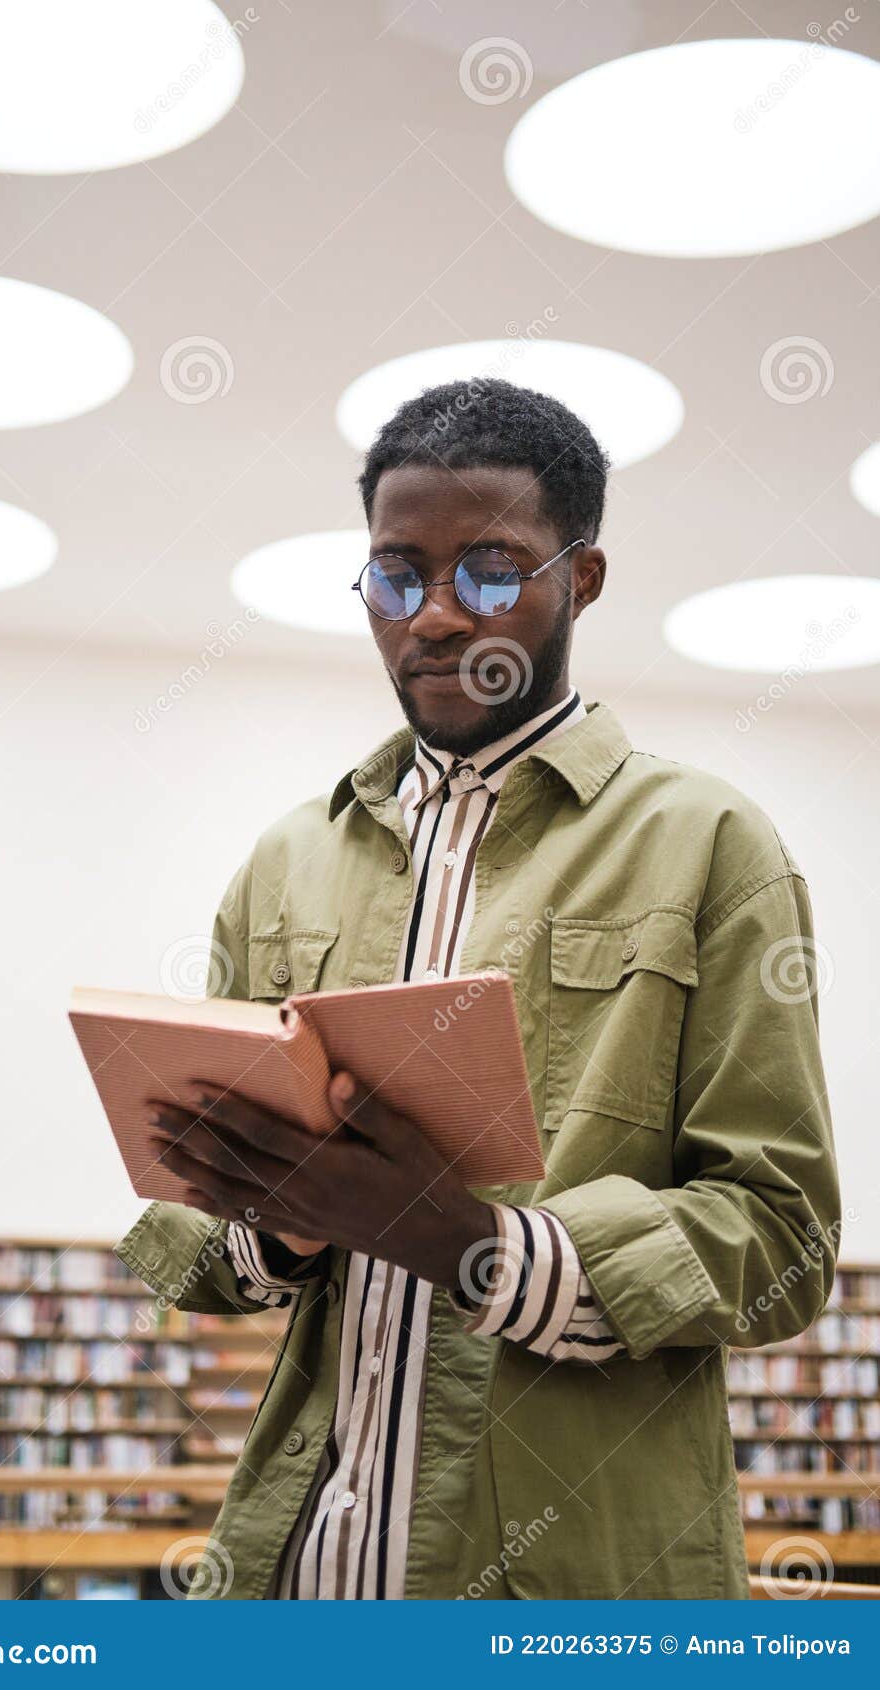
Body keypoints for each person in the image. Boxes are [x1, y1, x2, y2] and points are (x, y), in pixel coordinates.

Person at [117, 379, 840, 1600]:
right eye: (397, 574)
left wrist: (464, 1241)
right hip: (299, 1574)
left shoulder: (711, 843)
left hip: (564, 1587)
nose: (438, 617)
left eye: (491, 570)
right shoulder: (285, 860)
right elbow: (202, 1252)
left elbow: (782, 1241)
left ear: (582, 578)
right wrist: (296, 1215)